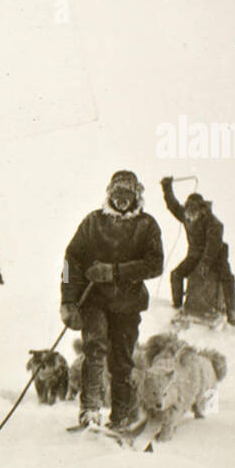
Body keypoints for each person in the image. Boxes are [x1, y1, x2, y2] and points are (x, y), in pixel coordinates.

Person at [60, 169, 164, 430]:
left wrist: (114, 272)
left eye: (127, 194)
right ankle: (89, 411)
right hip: (94, 300)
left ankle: (120, 416)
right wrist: (69, 301)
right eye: (117, 194)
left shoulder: (147, 225)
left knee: (122, 360)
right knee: (93, 350)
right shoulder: (93, 222)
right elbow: (71, 260)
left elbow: (155, 264)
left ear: (136, 196)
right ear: (109, 194)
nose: (121, 199)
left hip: (128, 305)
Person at [160, 176, 235, 325]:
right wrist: (167, 187)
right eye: (188, 208)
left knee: (226, 277)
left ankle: (232, 312)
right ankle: (177, 306)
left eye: (194, 209)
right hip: (195, 254)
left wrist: (204, 265)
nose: (190, 212)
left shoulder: (214, 223)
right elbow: (173, 205)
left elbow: (212, 247)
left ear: (202, 209)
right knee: (176, 274)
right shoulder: (187, 216)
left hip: (216, 255)